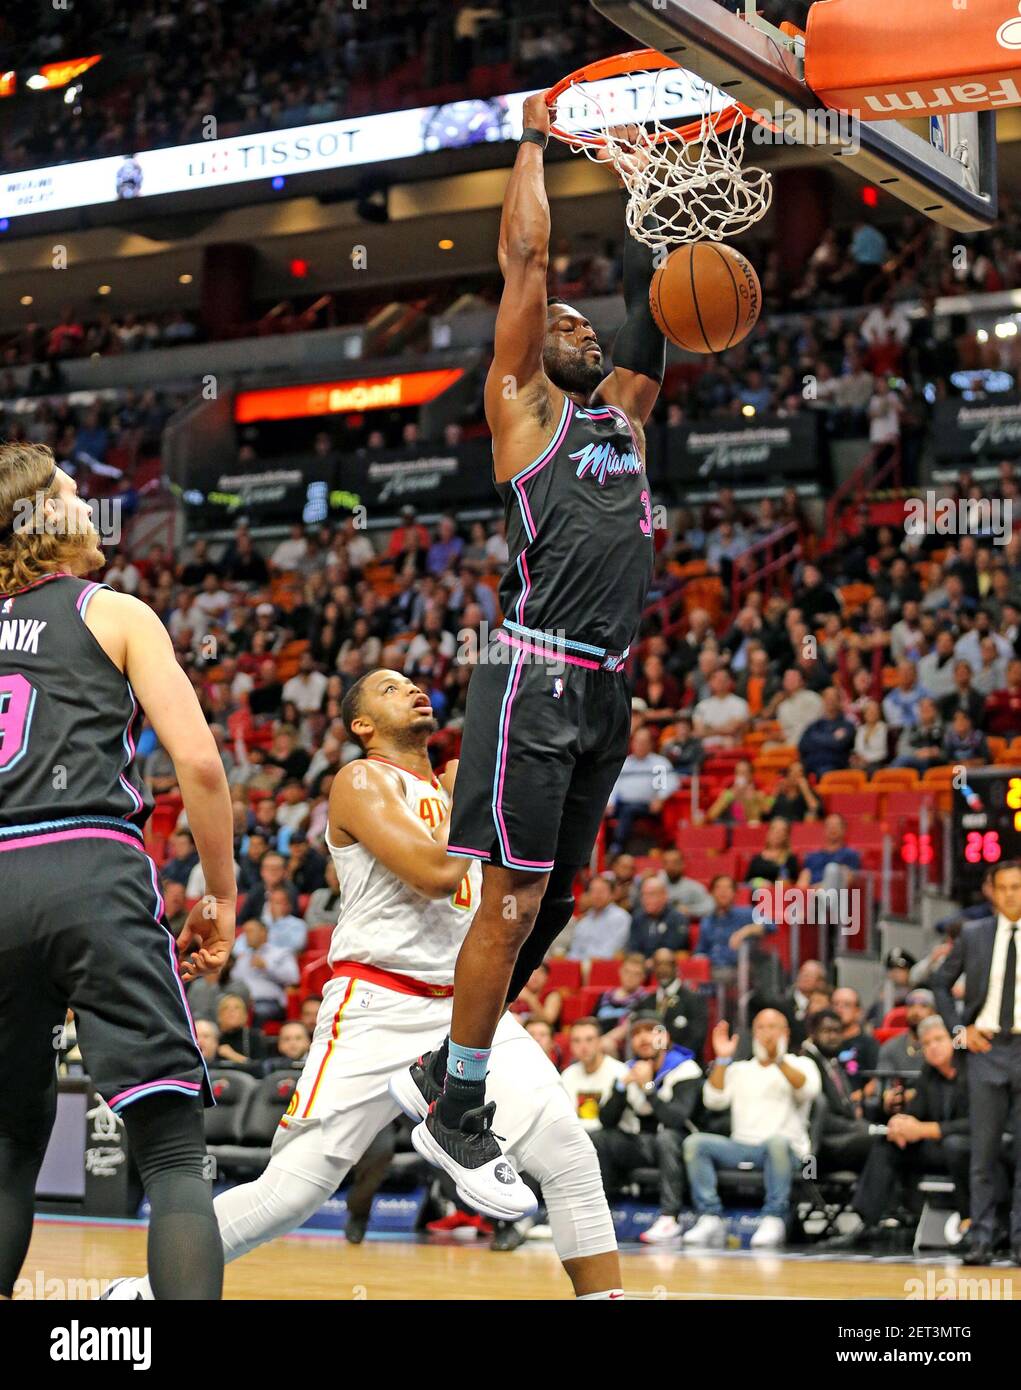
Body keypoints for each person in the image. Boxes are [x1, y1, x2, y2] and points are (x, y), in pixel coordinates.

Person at [105, 667, 624, 1302]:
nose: (412, 688)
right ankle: (141, 1293)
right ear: (362, 725)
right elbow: (434, 872)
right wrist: (474, 795)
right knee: (291, 1192)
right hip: (375, 1003)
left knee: (569, 1149)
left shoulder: (457, 780)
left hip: (464, 1006)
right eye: (389, 687)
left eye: (413, 682)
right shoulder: (360, 780)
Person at [413, 90, 668, 1200]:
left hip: (606, 692)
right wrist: (535, 136)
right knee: (510, 903)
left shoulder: (625, 415)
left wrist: (670, 197)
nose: (573, 323)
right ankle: (456, 1100)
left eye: (581, 321)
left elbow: (655, 312)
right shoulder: (524, 407)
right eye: (559, 319)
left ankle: (443, 1060)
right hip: (531, 673)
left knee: (554, 899)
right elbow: (526, 256)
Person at [0, 444, 235, 1302]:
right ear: (40, 517)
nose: (88, 502)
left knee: (6, 1152)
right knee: (172, 1150)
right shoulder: (115, 613)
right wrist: (221, 898)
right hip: (87, 861)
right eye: (69, 491)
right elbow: (201, 770)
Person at [933, 861, 1021, 1265]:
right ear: (991, 892)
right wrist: (959, 1032)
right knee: (982, 1154)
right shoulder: (973, 934)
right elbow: (939, 982)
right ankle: (981, 1239)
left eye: (1017, 887)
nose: (1009, 895)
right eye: (1002, 887)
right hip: (987, 1051)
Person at [825, 1017, 972, 1250]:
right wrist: (900, 1124)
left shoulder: (974, 1071)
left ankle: (971, 1224)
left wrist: (924, 1129)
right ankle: (867, 1223)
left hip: (970, 1149)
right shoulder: (929, 1073)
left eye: (938, 1039)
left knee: (956, 1145)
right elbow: (916, 1113)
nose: (933, 1046)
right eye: (926, 1043)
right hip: (939, 1148)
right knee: (887, 1145)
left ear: (954, 1041)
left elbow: (978, 1124)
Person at [682, 1013, 820, 1249]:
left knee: (776, 1142)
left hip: (787, 1151)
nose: (767, 1033)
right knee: (695, 1143)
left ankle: (773, 1218)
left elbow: (807, 1090)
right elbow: (713, 1100)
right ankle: (710, 1216)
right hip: (741, 1146)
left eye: (773, 1027)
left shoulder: (801, 1063)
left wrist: (778, 1061)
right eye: (761, 1028)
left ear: (785, 1033)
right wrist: (723, 1059)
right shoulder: (739, 1069)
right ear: (754, 1033)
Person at [591, 1013, 702, 1246]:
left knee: (666, 1137)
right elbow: (607, 1120)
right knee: (600, 1138)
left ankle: (669, 1218)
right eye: (636, 1033)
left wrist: (648, 1087)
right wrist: (622, 1087)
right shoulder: (627, 1070)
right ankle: (598, 1215)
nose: (643, 1038)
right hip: (642, 1144)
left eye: (650, 1031)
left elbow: (676, 1118)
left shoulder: (685, 1068)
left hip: (681, 1143)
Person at [560, 1017, 627, 1131]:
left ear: (600, 1042)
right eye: (577, 1041)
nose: (583, 1046)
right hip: (580, 1139)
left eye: (589, 1039)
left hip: (614, 1137)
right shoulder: (568, 1075)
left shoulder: (620, 1071)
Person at [649, 947, 708, 1058]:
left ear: (676, 967)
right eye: (658, 964)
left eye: (668, 964)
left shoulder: (693, 999)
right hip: (652, 1064)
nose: (663, 969)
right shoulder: (646, 1002)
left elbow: (697, 1038)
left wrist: (672, 1059)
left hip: (685, 1063)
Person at [565, 874, 631, 960]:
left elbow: (613, 951)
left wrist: (589, 960)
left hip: (606, 967)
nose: (596, 895)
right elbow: (574, 951)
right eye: (593, 891)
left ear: (612, 894)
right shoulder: (584, 922)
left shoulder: (621, 918)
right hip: (581, 967)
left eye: (601, 891)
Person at [627, 874, 690, 959]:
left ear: (664, 896)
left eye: (651, 894)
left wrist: (651, 961)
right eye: (643, 895)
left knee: (664, 955)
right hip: (641, 965)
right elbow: (633, 947)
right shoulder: (637, 917)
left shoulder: (678, 918)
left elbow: (672, 946)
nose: (646, 899)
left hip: (667, 965)